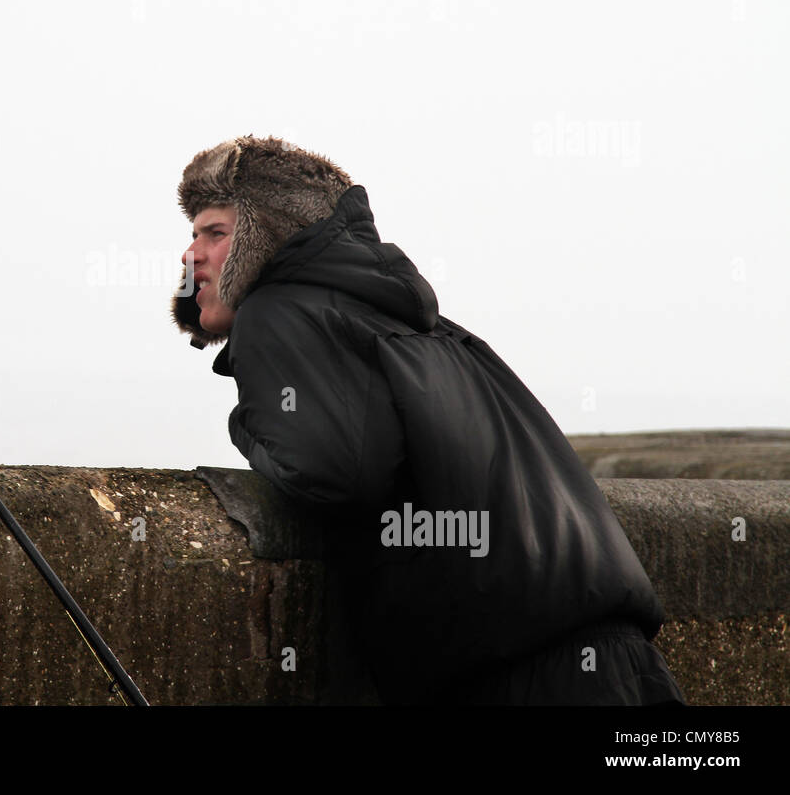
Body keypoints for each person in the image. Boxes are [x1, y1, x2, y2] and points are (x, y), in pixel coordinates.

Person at [171, 134, 685, 705]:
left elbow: (331, 469)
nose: (192, 255)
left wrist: (244, 425)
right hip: (619, 662)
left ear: (264, 237)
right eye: (193, 235)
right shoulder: (420, 324)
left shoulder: (276, 311)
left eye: (215, 233)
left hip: (513, 678)